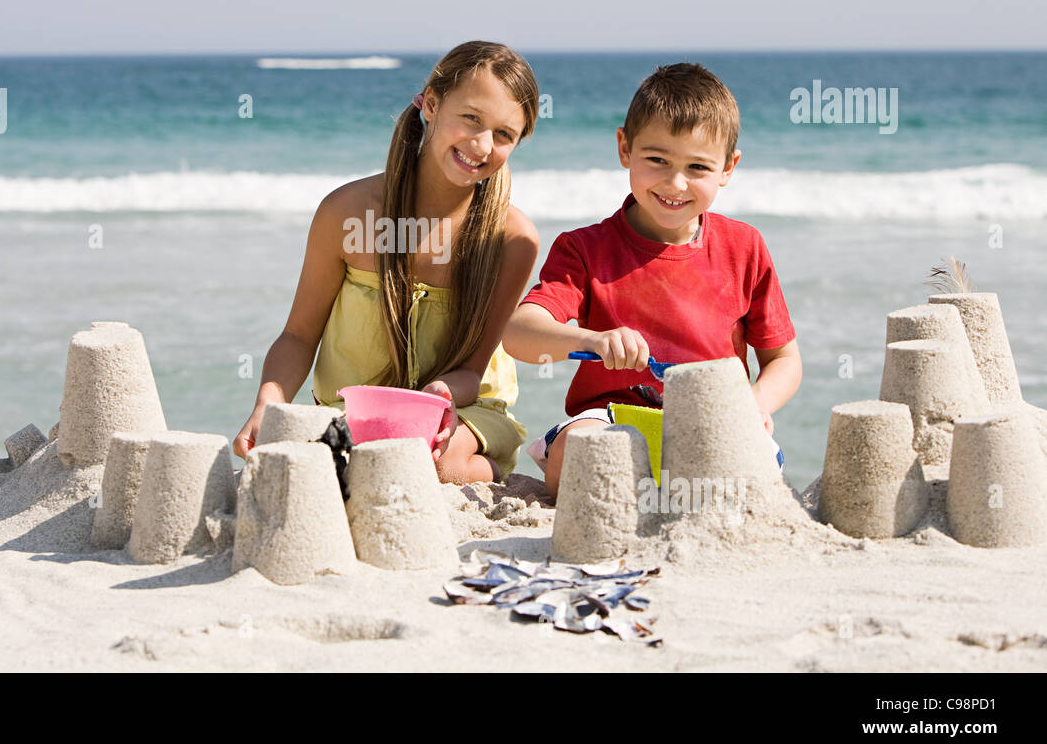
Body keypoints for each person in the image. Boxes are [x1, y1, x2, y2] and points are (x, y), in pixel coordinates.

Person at [233, 41, 540, 483]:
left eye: (504, 134)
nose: (481, 144)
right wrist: (269, 401)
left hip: (463, 408)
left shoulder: (512, 239)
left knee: (434, 466)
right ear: (431, 104)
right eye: (471, 118)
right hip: (356, 411)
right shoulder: (346, 213)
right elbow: (298, 336)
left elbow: (473, 370)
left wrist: (441, 396)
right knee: (329, 471)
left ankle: (492, 471)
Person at [503, 62, 801, 498]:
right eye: (657, 159)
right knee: (580, 454)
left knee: (752, 483)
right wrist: (592, 341)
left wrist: (752, 406)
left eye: (698, 167)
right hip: (611, 417)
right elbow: (519, 333)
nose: (675, 183)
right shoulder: (584, 249)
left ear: (728, 168)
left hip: (714, 419)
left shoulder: (745, 247)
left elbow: (784, 362)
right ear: (624, 147)